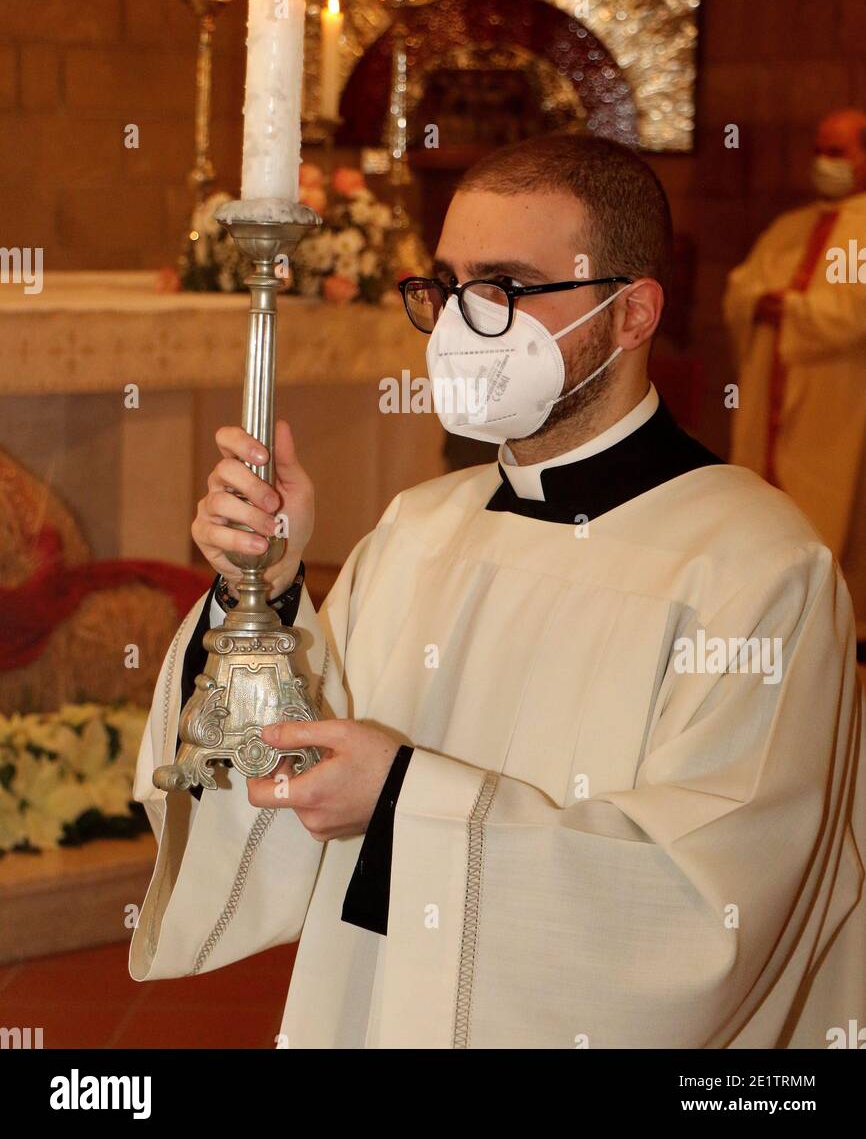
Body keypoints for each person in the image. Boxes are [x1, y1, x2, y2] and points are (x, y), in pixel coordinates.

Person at [130, 134, 865, 1049]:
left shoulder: (757, 569)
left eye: (505, 288)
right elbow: (268, 786)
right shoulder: (417, 528)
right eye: (447, 286)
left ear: (632, 314)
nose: (458, 324)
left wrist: (401, 800)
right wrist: (268, 598)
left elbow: (707, 905)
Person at [724, 109, 866, 664]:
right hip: (771, 389)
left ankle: (836, 633)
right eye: (820, 149)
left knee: (836, 510)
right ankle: (770, 619)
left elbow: (853, 314)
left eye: (838, 151)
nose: (824, 163)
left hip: (837, 399)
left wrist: (792, 308)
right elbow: (741, 289)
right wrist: (764, 303)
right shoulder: (789, 227)